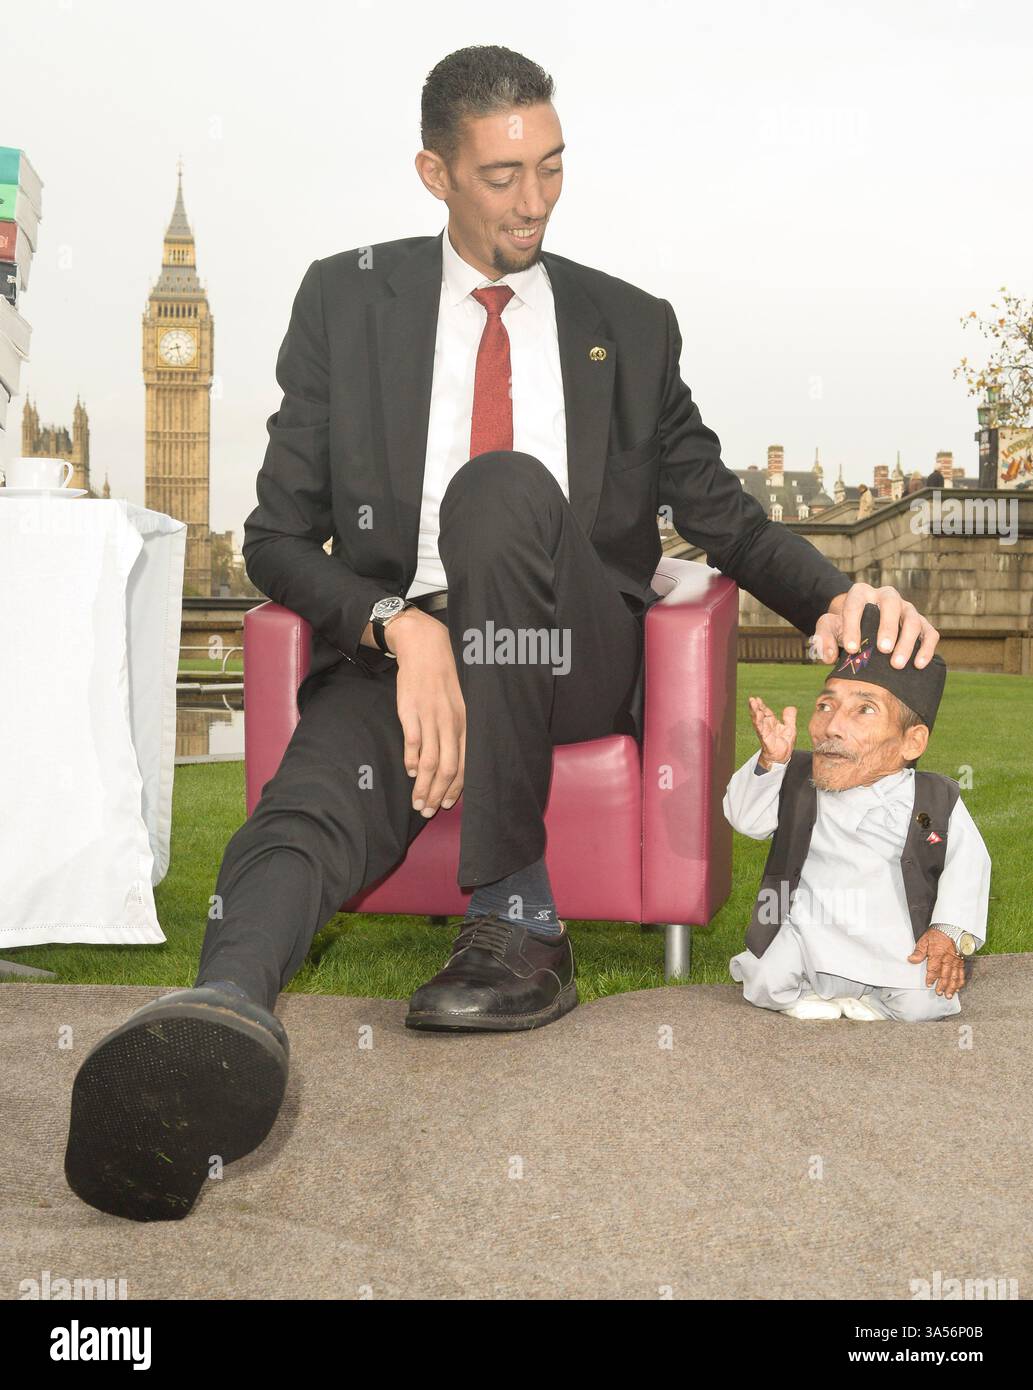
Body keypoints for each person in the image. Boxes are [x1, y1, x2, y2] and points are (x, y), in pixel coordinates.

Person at [64, 45, 943, 1222]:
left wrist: (830, 596)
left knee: (497, 493)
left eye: (553, 167)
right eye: (501, 175)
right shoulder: (343, 298)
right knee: (316, 794)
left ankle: (520, 922)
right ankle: (220, 1020)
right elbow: (275, 539)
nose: (534, 200)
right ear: (434, 172)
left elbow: (716, 507)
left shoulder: (627, 324)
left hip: (564, 650)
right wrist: (397, 630)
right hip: (408, 651)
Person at [726, 602, 990, 1022]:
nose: (832, 727)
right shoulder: (796, 778)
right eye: (826, 706)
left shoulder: (933, 801)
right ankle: (817, 993)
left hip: (892, 939)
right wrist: (771, 763)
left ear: (912, 742)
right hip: (809, 934)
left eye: (863, 710)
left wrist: (946, 931)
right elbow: (746, 820)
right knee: (766, 981)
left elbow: (968, 865)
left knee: (926, 1003)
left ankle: (868, 998)